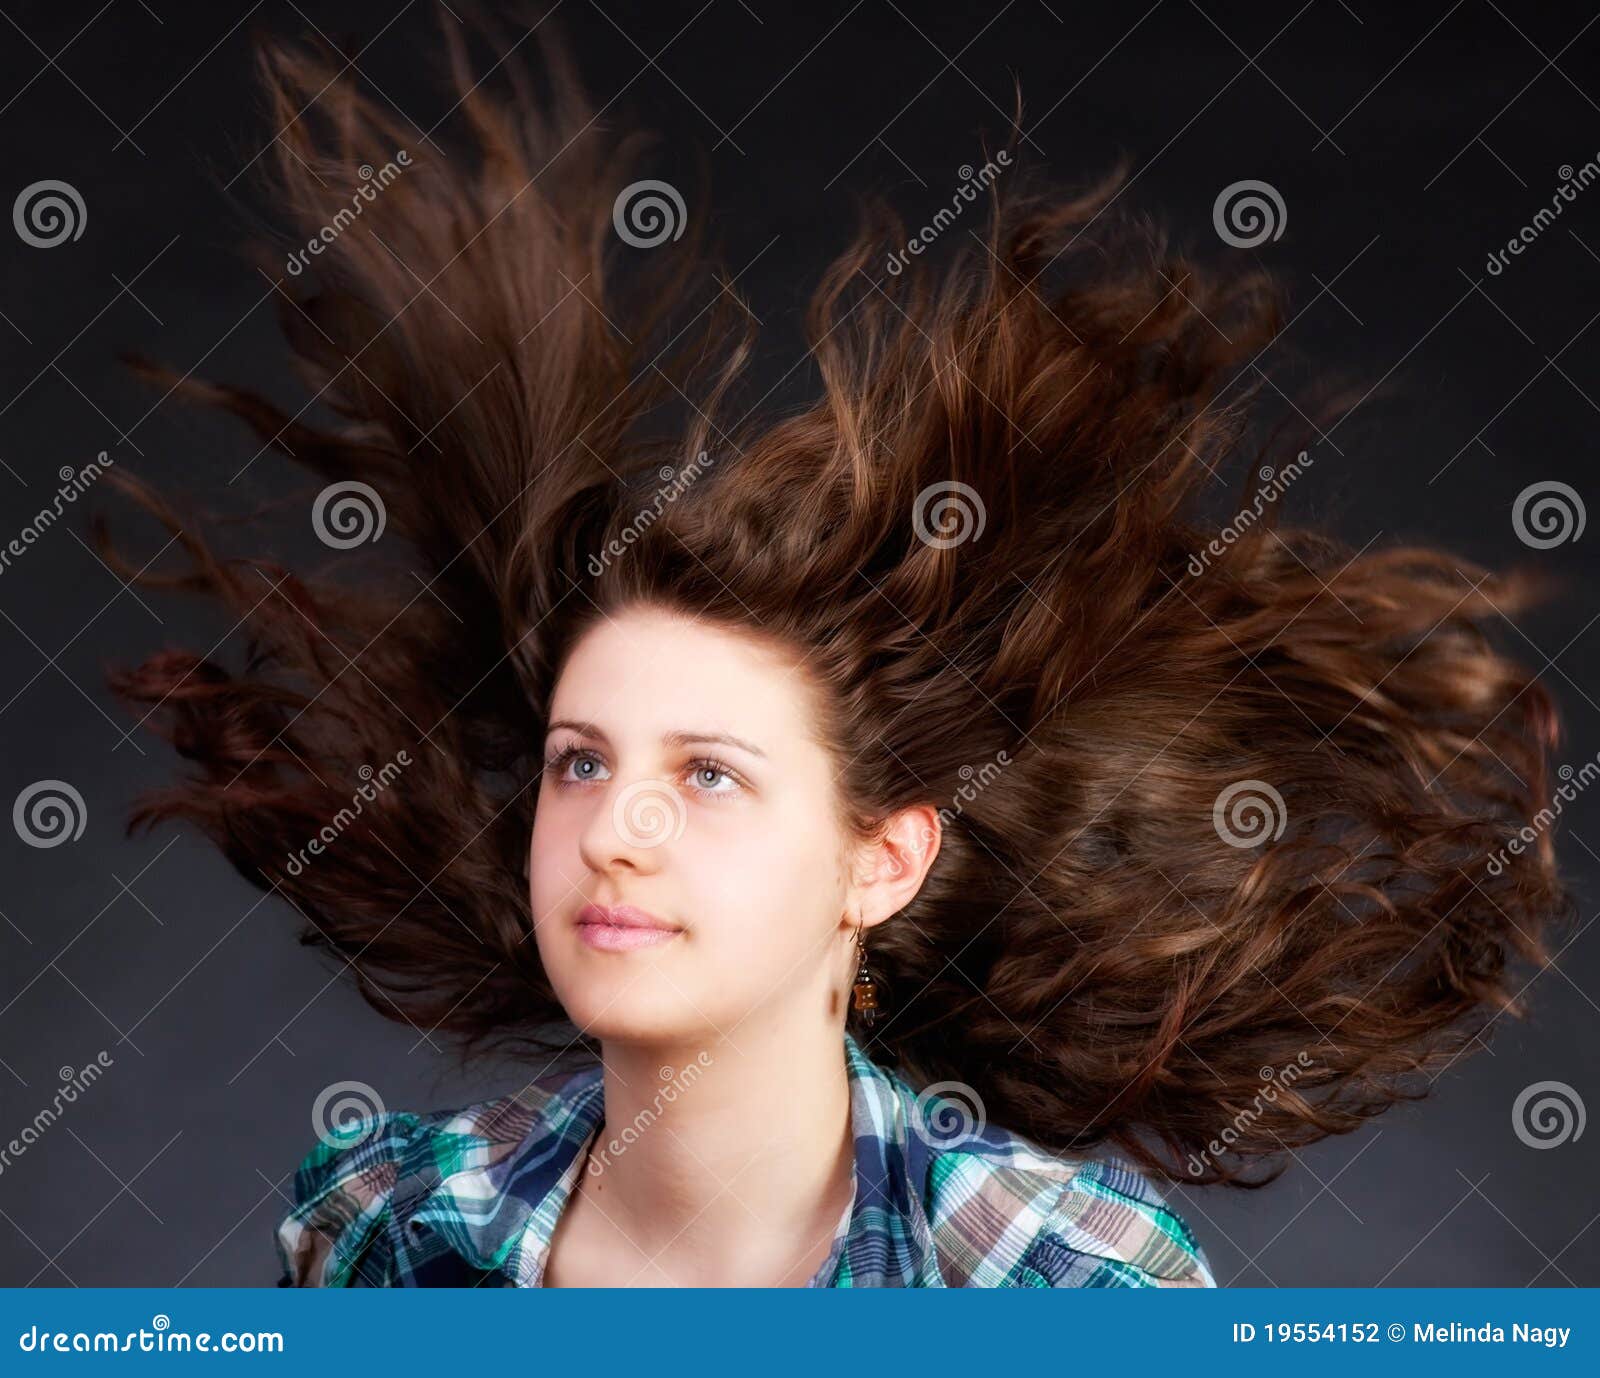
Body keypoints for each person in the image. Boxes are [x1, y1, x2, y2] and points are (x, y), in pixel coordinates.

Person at [99, 12, 1569, 1288]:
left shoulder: (1056, 1282)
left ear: (883, 860)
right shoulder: (387, 1231)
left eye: (712, 774)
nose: (615, 830)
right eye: (579, 763)